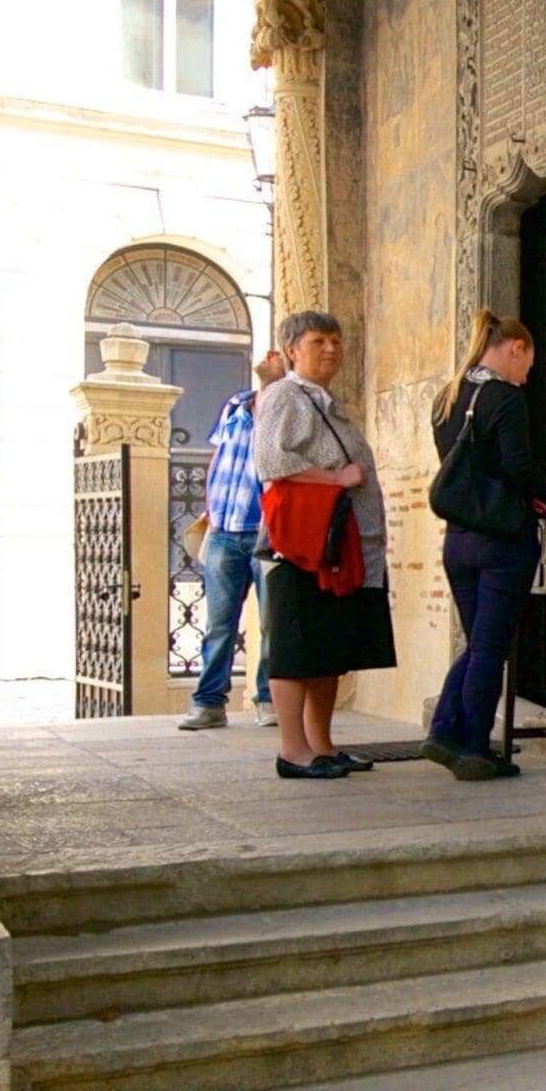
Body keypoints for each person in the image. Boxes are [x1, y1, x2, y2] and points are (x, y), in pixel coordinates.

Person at [426, 310, 546, 781]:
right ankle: (472, 747)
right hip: (502, 540)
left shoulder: (446, 397)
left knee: (477, 644)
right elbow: (518, 468)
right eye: (527, 365)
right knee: (489, 648)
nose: (526, 377)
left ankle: (445, 732)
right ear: (516, 348)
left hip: (458, 540)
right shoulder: (504, 398)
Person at [251, 309, 394, 779]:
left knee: (327, 651)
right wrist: (335, 477)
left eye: (335, 339)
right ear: (292, 350)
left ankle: (322, 744)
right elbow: (271, 460)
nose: (331, 348)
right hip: (303, 548)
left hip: (337, 550)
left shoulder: (321, 399)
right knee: (296, 650)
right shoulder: (284, 395)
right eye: (318, 341)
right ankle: (293, 750)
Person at [177, 347, 290, 731]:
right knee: (218, 623)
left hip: (266, 530)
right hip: (225, 529)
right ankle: (208, 703)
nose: (268, 353)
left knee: (273, 623)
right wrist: (211, 508)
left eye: (279, 352)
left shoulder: (285, 407)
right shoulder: (235, 406)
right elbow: (218, 457)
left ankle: (268, 698)